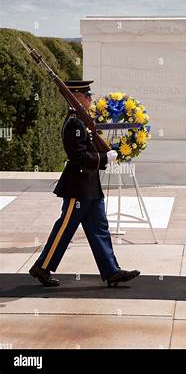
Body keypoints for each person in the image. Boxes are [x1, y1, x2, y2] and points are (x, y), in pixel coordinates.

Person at [29, 80, 140, 287]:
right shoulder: (74, 124)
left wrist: (105, 155)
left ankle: (111, 271)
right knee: (65, 228)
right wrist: (105, 159)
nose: (90, 98)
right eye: (86, 95)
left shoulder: (81, 121)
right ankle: (42, 267)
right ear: (76, 97)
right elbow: (79, 156)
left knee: (99, 229)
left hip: (90, 186)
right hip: (77, 186)